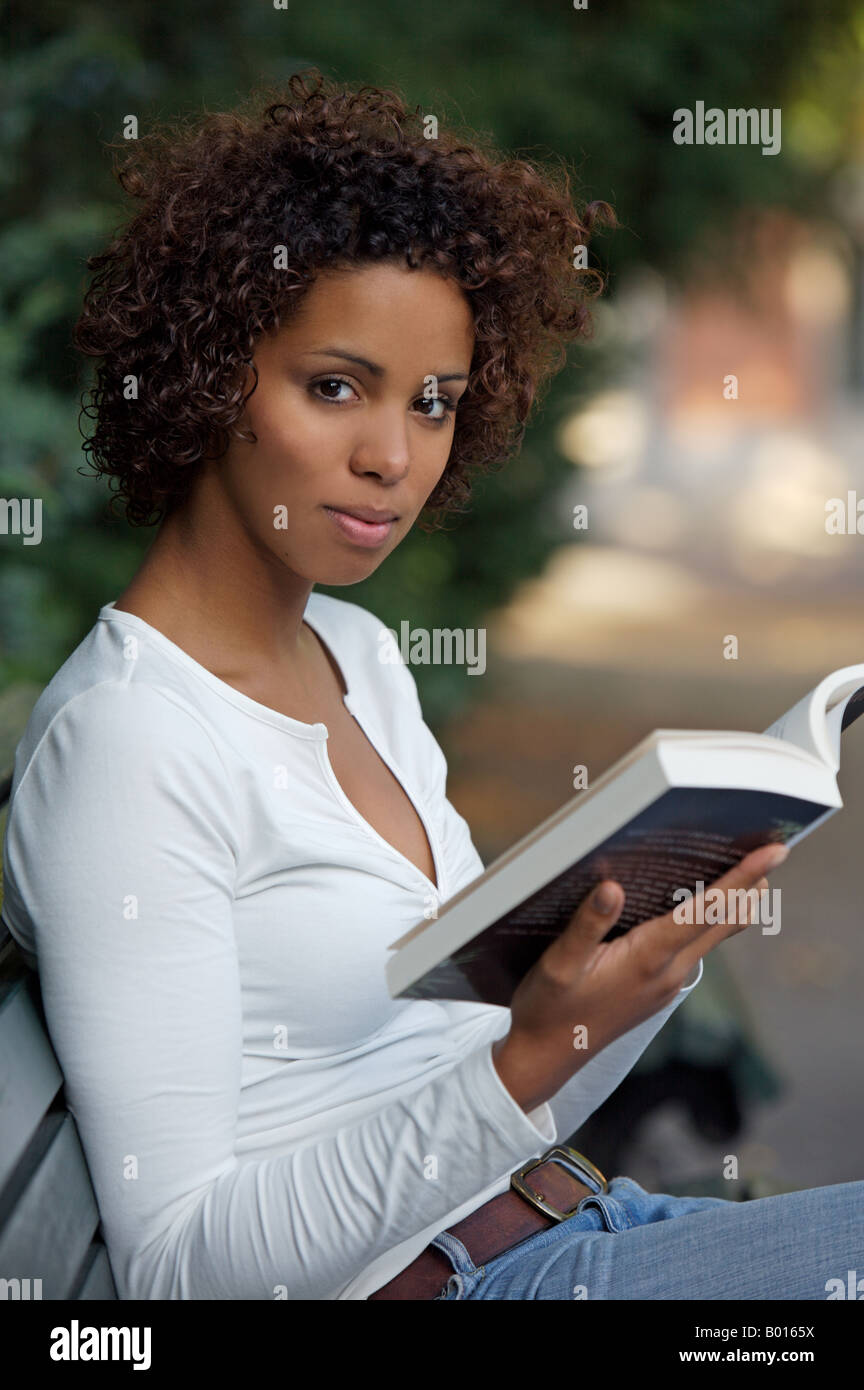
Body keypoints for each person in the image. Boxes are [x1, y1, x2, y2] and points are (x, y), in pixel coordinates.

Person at [1, 69, 860, 1302]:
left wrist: (641, 974)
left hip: (586, 1224)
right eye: (334, 385)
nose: (391, 457)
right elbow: (183, 1274)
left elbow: (483, 1071)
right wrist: (536, 1052)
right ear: (205, 368)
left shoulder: (360, 656)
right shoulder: (128, 739)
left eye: (435, 402)